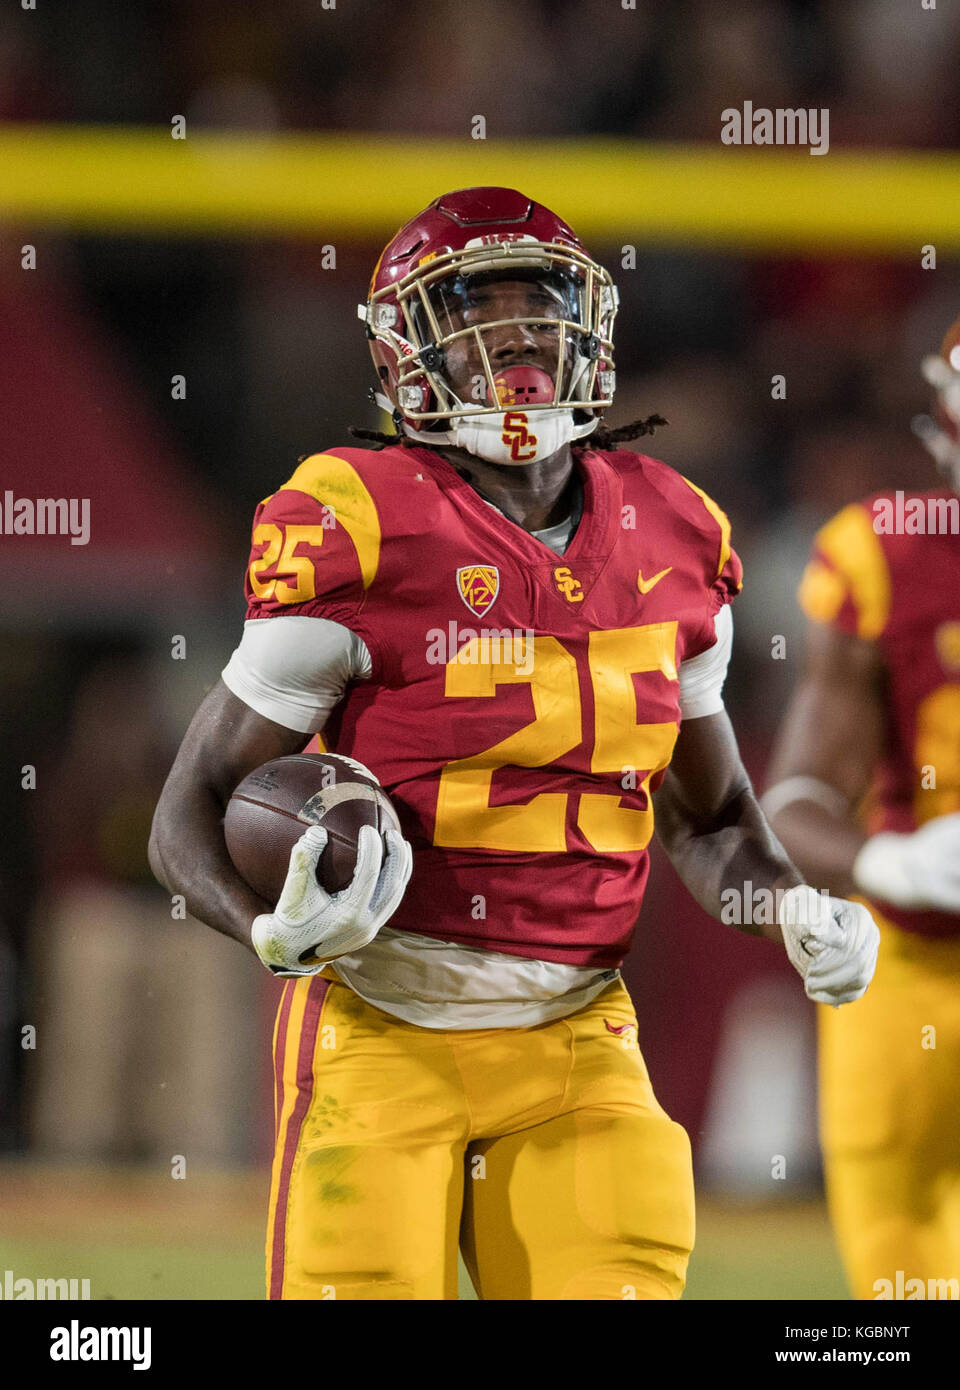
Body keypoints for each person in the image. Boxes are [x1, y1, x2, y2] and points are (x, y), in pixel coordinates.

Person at [150, 186, 879, 1301]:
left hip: (580, 1040)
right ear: (405, 360)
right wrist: (269, 931)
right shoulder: (353, 519)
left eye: (536, 315)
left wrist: (789, 906)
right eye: (474, 319)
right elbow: (190, 808)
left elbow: (712, 812)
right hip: (380, 1029)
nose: (516, 346)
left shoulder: (680, 532)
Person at [763, 316, 960, 1300]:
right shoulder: (887, 556)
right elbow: (795, 802)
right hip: (913, 967)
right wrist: (893, 863)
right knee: (902, 1291)